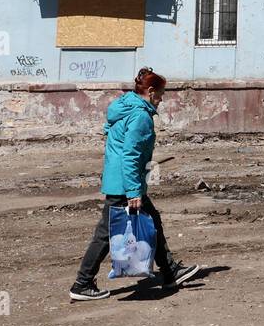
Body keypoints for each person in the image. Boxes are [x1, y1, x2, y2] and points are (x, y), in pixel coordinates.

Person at [70, 67, 200, 301]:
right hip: (124, 184)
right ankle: (82, 283)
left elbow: (110, 133)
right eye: (160, 94)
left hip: (118, 179)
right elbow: (130, 155)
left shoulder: (124, 107)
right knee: (105, 235)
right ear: (150, 92)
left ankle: (170, 271)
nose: (161, 100)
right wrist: (133, 191)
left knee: (151, 221)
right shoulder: (140, 116)